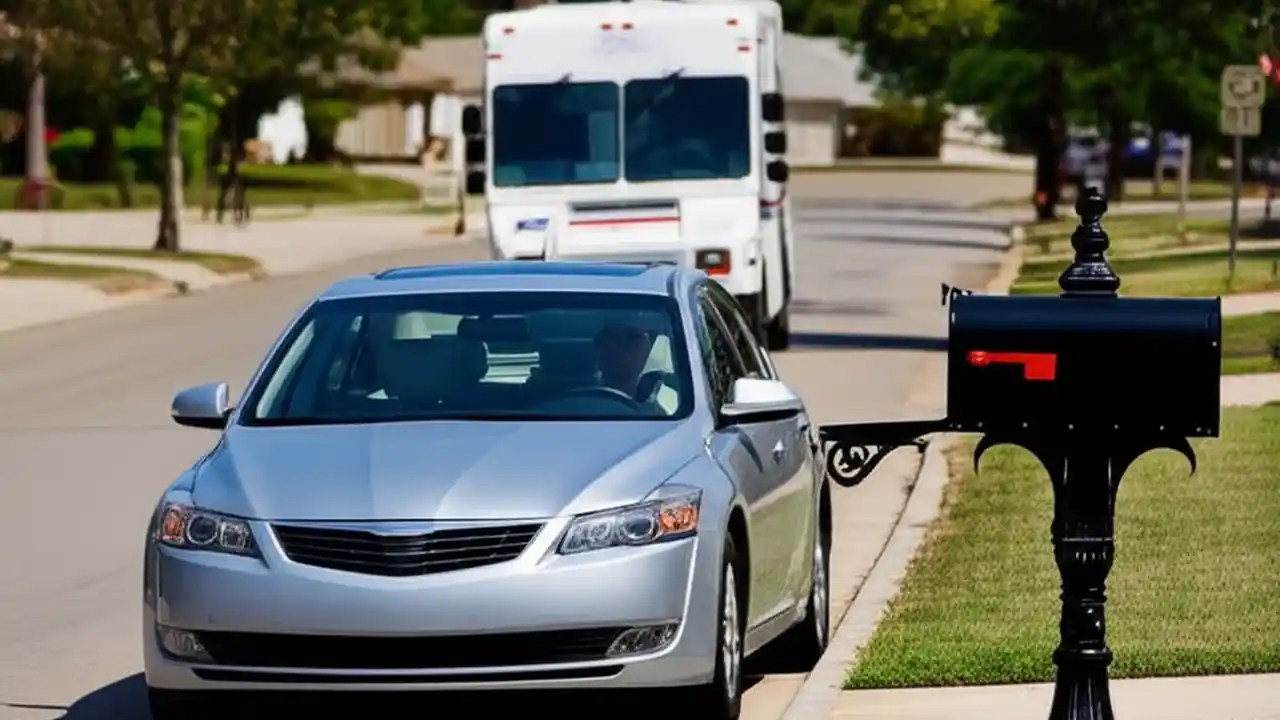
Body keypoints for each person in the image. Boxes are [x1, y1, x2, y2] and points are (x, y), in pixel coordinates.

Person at [593, 321, 654, 398]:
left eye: (632, 338)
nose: (621, 349)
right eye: (613, 339)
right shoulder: (582, 404)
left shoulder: (662, 402)